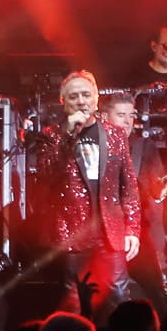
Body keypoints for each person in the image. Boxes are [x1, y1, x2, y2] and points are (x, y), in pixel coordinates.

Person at [36, 71, 140, 314]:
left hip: (110, 232)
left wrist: (133, 228)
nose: (81, 101)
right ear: (63, 102)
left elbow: (129, 185)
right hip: (73, 232)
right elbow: (45, 176)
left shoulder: (115, 134)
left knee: (118, 303)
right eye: (74, 96)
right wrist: (67, 136)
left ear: (95, 98)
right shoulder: (52, 135)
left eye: (85, 95)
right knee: (73, 304)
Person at [123, 26, 167, 274]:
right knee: (153, 212)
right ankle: (158, 264)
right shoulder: (136, 78)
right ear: (153, 46)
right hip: (143, 158)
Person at [100, 92, 167, 309]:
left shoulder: (143, 146)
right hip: (102, 232)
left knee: (159, 294)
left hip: (136, 231)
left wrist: (159, 193)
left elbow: (156, 187)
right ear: (104, 116)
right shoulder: (93, 145)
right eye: (121, 115)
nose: (127, 121)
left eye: (131, 116)